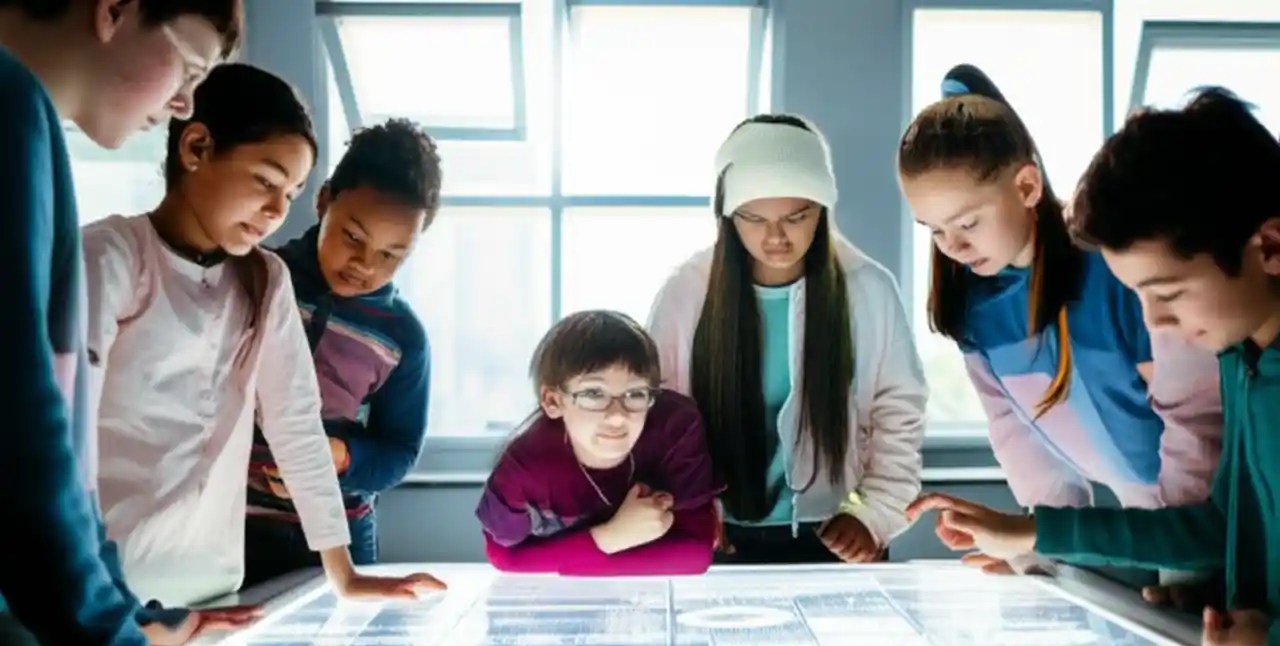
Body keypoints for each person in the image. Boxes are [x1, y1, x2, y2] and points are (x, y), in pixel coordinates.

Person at [908, 87, 1280, 646]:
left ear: (1268, 246)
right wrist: (1040, 534)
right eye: (1141, 298)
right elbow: (1214, 528)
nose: (1156, 325)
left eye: (1168, 294)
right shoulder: (1241, 361)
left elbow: (1198, 475)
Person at [82, 63, 445, 632]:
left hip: (214, 584)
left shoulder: (266, 279)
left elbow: (297, 426)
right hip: (107, 582)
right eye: (267, 181)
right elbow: (55, 436)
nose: (278, 210)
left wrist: (343, 572)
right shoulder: (109, 257)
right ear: (196, 146)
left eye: (291, 192)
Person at [0, 0, 281, 646]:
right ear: (115, 10)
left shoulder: (28, 121)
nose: (186, 100)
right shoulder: (10, 108)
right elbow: (23, 434)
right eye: (189, 66)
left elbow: (57, 447)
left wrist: (133, 623)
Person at [896, 65, 1222, 579]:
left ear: (1026, 185)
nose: (953, 247)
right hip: (1138, 529)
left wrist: (1180, 556)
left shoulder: (1112, 268)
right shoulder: (977, 311)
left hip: (1199, 516)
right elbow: (1017, 436)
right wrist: (1038, 545)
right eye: (934, 231)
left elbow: (1194, 418)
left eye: (968, 222)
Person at [648, 114, 927, 564]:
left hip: (838, 532)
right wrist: (689, 510)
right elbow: (659, 416)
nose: (775, 236)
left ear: (822, 210)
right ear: (726, 216)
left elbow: (899, 414)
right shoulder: (687, 291)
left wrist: (871, 514)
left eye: (797, 216)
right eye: (753, 218)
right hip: (715, 533)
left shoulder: (868, 288)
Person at [243, 117, 441, 586]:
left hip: (344, 534)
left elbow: (399, 451)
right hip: (233, 528)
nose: (365, 265)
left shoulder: (403, 337)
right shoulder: (255, 277)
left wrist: (342, 458)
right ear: (323, 200)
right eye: (354, 237)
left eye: (392, 254)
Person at [476, 310, 723, 575]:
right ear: (553, 401)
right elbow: (505, 557)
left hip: (649, 596)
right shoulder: (524, 466)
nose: (617, 416)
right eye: (594, 394)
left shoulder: (674, 425)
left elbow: (695, 553)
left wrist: (569, 557)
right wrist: (611, 537)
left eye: (635, 393)